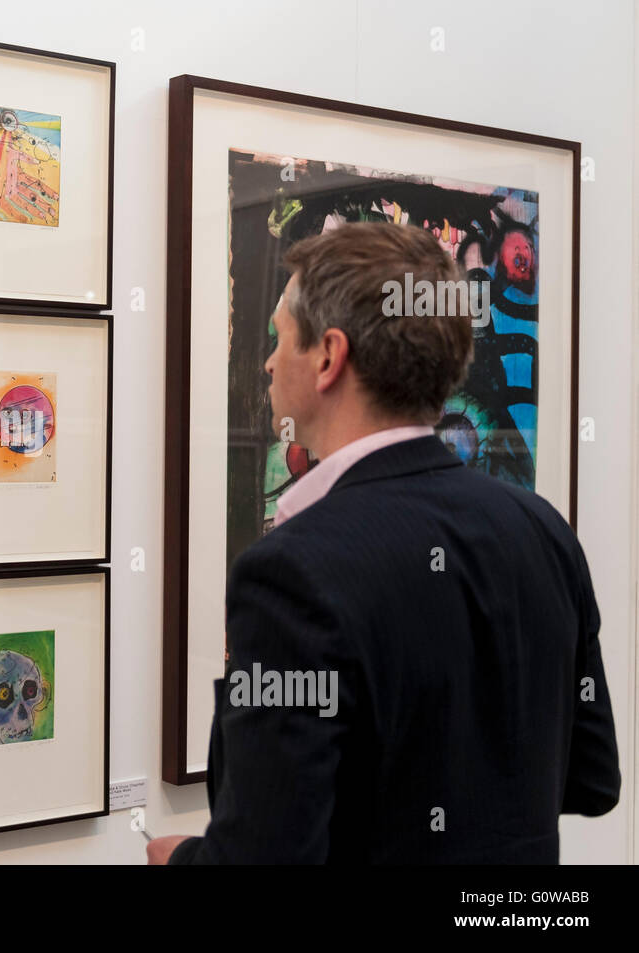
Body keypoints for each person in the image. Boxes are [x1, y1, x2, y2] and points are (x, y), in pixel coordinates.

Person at [149, 222, 620, 864]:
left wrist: (176, 859)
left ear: (328, 357)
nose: (267, 360)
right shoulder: (542, 529)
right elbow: (590, 780)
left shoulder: (292, 572)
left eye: (280, 337)